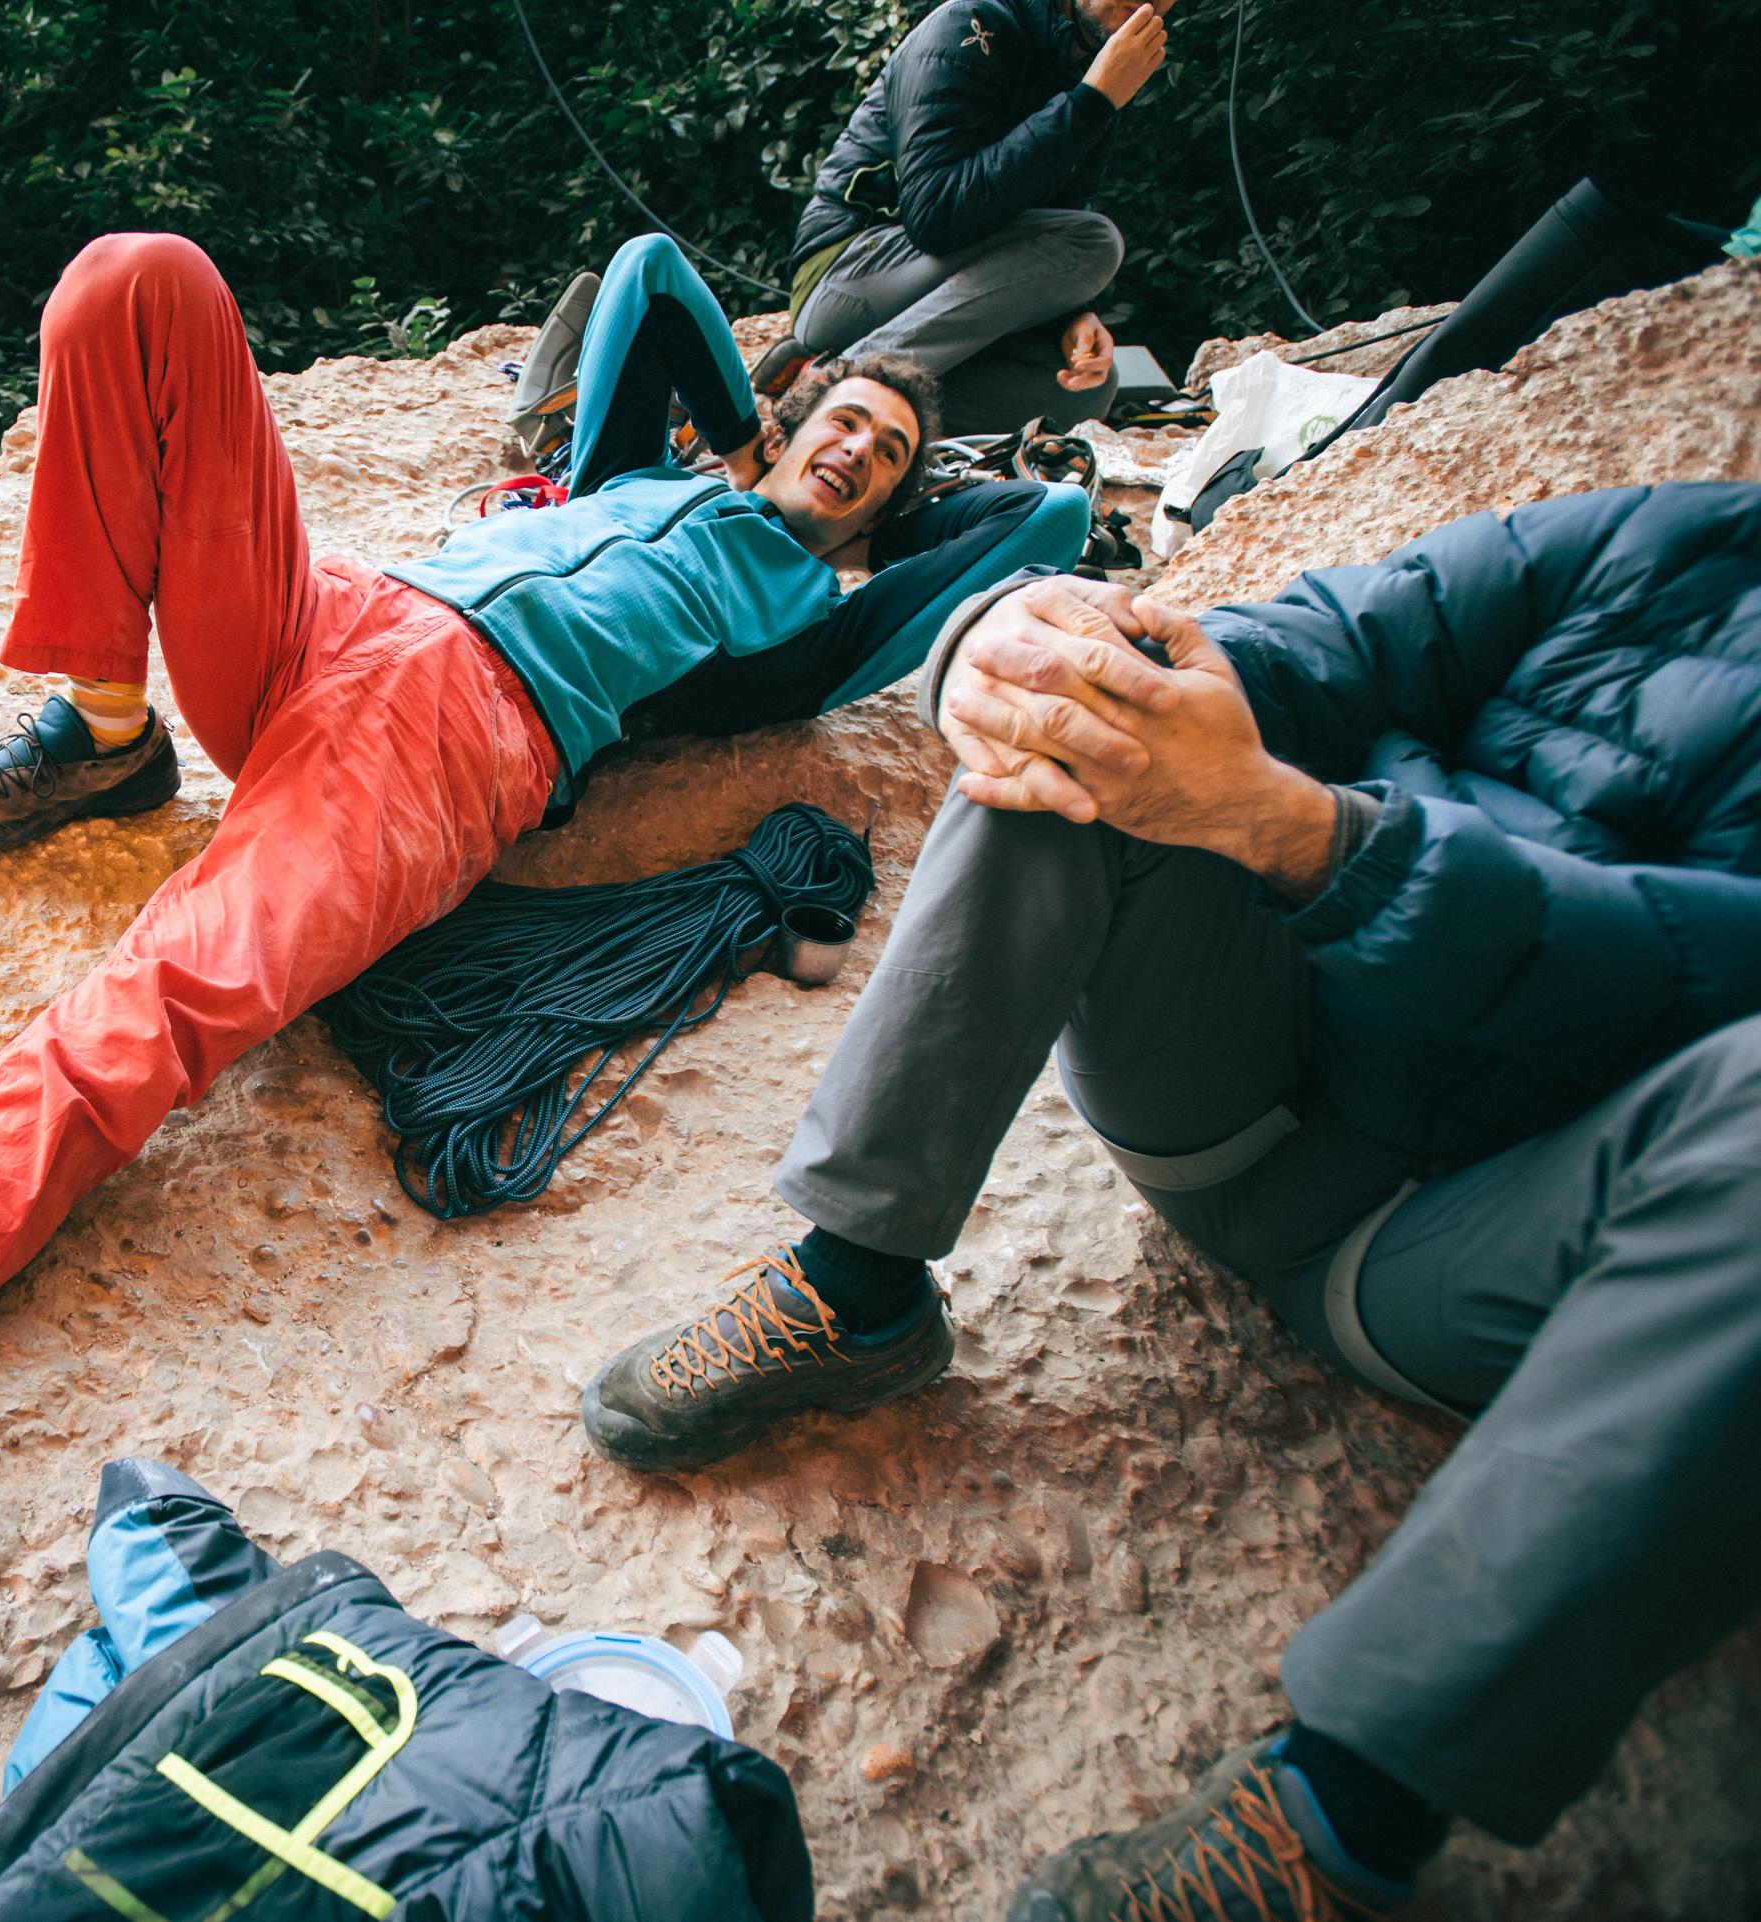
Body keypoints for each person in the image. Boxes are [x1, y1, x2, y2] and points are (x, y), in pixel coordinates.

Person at [0, 228, 1090, 1765]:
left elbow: (1041, 528)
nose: (854, 444)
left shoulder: (817, 608)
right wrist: (754, 416)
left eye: (885, 453)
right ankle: (114, 740)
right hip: (340, 617)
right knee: (142, 286)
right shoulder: (645, 471)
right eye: (841, 417)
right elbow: (648, 275)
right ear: (792, 410)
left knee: (129, 1036)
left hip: (458, 745)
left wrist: (968, 463)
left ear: (889, 508)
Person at [580, 482, 1761, 1918]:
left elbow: (1663, 978)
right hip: (1244, 1089)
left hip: (1485, 1255)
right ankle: (855, 1285)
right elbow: (1313, 643)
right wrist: (1028, 645)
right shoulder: (1679, 537)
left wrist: (1309, 834)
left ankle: (1340, 1820)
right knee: (1086, 723)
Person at [785, 0, 1175, 435]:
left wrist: (1074, 315)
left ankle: (877, 415)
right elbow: (936, 216)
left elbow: (1053, 224)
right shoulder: (968, 24)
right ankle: (834, 392)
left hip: (929, 299)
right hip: (848, 275)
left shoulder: (1094, 77)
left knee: (1085, 392)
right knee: (1096, 243)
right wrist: (1090, 103)